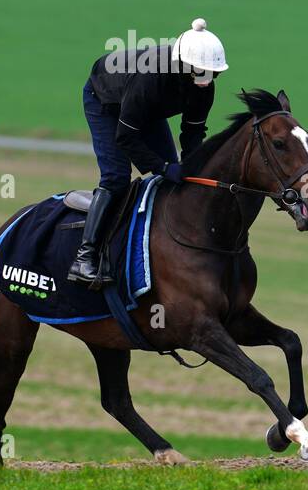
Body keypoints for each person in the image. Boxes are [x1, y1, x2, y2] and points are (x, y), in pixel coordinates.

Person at [67, 18, 228, 288]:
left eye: (212, 74)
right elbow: (126, 137)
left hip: (147, 108)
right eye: (199, 72)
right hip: (106, 100)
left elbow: (192, 134)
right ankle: (85, 257)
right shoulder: (150, 78)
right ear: (183, 64)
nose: (205, 81)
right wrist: (164, 167)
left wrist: (190, 167)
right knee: (116, 178)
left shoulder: (204, 85)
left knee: (175, 173)